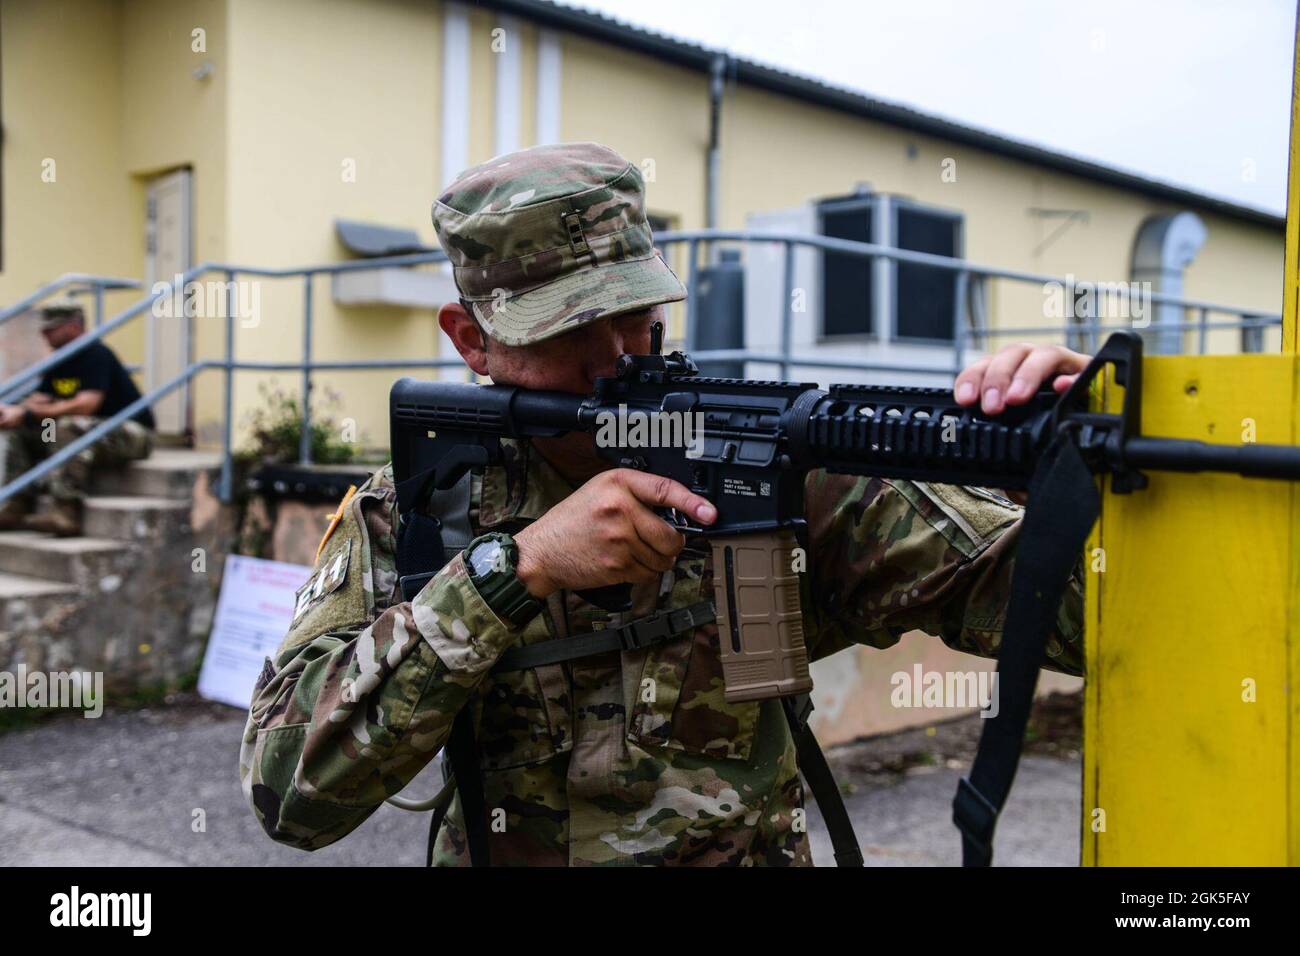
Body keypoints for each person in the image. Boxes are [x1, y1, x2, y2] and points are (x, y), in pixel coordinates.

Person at [239, 141, 1090, 866]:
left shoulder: (767, 465)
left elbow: (1089, 624)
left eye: (635, 317)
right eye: (567, 327)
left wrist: (1068, 485)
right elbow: (289, 794)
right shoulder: (424, 507)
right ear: (472, 341)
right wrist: (512, 572)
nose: (614, 358)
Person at [0, 301, 155, 536]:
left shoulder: (95, 354)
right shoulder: (59, 361)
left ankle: (66, 511)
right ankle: (16, 504)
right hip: (90, 432)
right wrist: (15, 412)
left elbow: (86, 405)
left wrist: (29, 413)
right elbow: (39, 400)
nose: (45, 334)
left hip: (130, 433)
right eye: (43, 329)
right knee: (22, 429)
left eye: (52, 328)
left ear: (74, 327)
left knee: (67, 426)